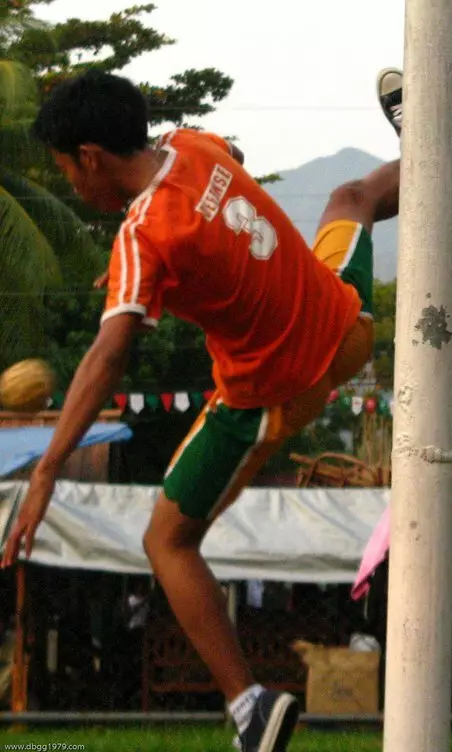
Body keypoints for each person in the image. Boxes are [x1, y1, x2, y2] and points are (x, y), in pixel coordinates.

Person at [0, 66, 407, 752]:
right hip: (344, 323)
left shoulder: (142, 236)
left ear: (91, 157)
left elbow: (107, 354)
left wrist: (45, 472)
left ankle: (250, 706)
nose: (71, 184)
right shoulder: (193, 146)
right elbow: (232, 165)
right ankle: (426, 144)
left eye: (68, 169)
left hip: (273, 394)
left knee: (166, 539)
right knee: (353, 197)